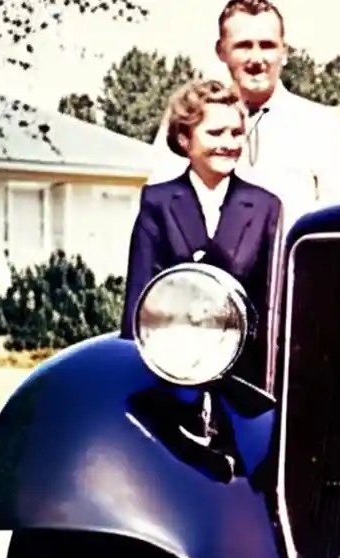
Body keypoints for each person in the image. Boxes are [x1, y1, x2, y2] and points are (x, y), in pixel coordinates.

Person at [122, 78, 283, 384]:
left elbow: (272, 306)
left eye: (236, 133)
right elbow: (138, 303)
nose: (228, 143)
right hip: (173, 370)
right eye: (215, 133)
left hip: (243, 376)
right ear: (185, 139)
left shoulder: (266, 206)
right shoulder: (158, 202)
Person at [150, 0, 340, 236]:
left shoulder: (320, 126)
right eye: (244, 46)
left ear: (284, 52)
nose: (257, 59)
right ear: (221, 51)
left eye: (267, 46)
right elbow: (158, 210)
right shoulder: (190, 120)